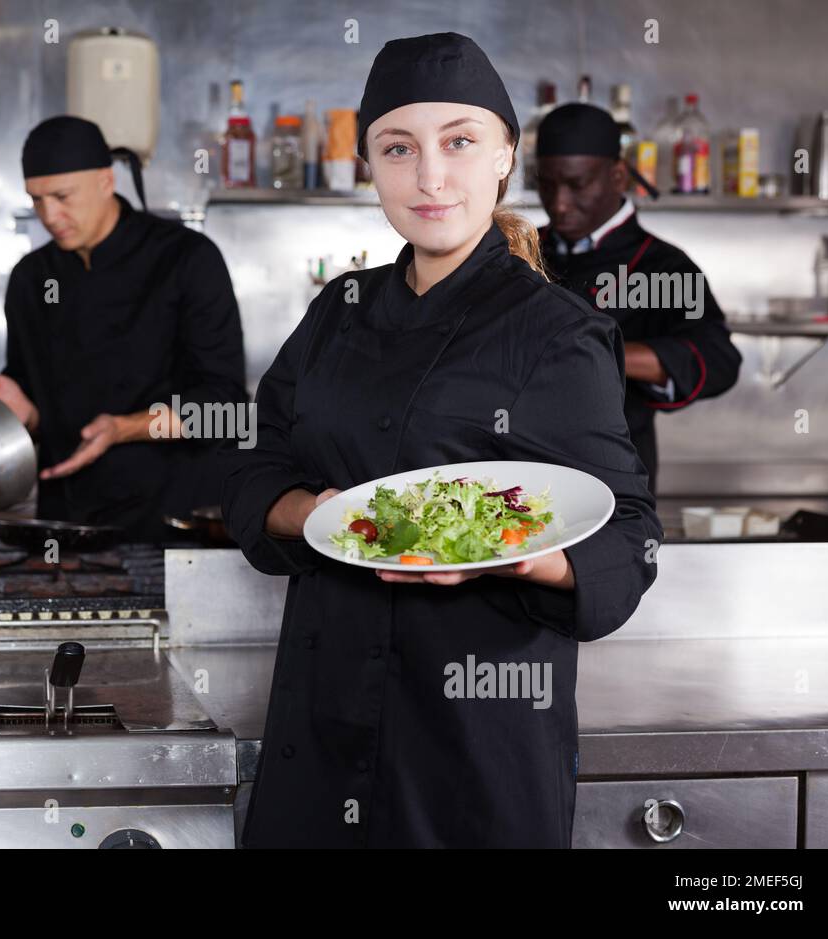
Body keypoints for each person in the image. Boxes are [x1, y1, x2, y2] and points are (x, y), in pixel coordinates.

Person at [220, 33, 662, 848]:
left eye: (460, 141)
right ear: (369, 166)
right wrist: (311, 512)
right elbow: (254, 465)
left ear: (504, 157)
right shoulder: (337, 310)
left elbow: (630, 535)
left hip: (470, 752)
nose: (429, 176)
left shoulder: (556, 331)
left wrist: (532, 552)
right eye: (398, 148)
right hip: (317, 729)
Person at [0, 116, 247, 542]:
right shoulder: (32, 279)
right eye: (36, 200)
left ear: (106, 181)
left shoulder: (185, 260)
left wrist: (123, 428)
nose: (50, 214)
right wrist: (19, 412)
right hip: (67, 526)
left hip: (170, 521)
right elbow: (35, 401)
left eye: (62, 196)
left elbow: (225, 411)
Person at [535, 103, 741, 494]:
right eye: (547, 184)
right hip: (520, 475)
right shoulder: (518, 253)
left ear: (616, 176)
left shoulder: (662, 266)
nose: (559, 203)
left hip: (616, 481)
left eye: (577, 185)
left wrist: (598, 351)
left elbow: (718, 360)